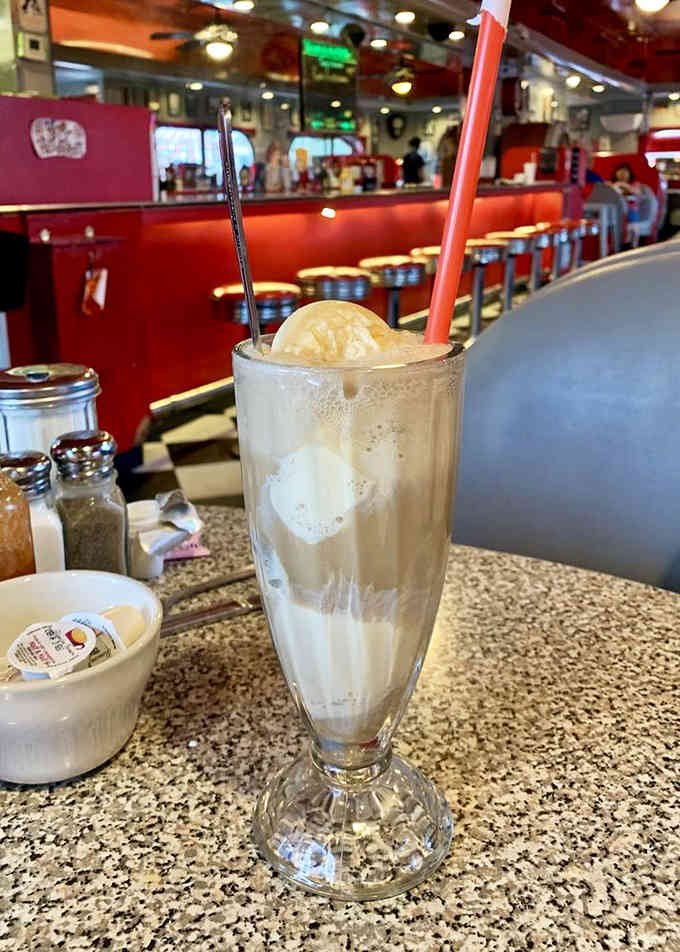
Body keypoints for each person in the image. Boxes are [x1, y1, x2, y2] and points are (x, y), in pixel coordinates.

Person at [610, 163, 642, 248]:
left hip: (631, 212)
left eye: (625, 172)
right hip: (615, 211)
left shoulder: (635, 184)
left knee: (633, 223)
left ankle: (632, 244)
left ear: (629, 174)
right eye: (620, 172)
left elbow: (637, 192)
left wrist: (622, 184)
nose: (622, 175)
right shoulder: (611, 185)